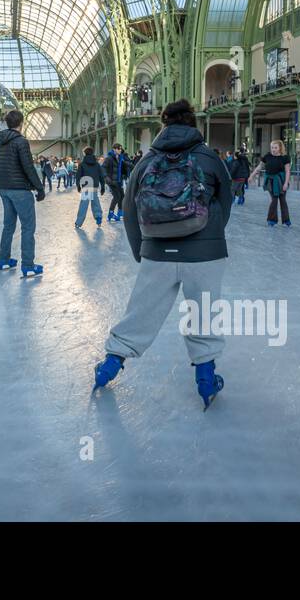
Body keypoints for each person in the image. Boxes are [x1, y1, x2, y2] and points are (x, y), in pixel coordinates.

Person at [92, 99, 233, 410]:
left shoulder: (147, 161)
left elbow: (129, 208)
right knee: (203, 314)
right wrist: (208, 235)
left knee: (140, 312)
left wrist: (141, 249)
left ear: (163, 124)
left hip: (158, 250)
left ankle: (109, 367)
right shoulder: (209, 157)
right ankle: (206, 379)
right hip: (206, 253)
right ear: (193, 122)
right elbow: (226, 198)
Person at [0, 109, 46, 275]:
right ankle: (28, 265)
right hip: (20, 190)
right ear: (21, 123)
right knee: (28, 227)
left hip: (4, 188)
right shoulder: (21, 141)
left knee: (8, 226)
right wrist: (39, 187)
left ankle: (3, 260)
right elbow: (28, 167)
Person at [250, 140, 291, 227]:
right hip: (270, 181)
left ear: (280, 148)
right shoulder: (267, 156)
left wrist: (286, 183)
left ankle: (286, 220)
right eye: (272, 147)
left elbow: (287, 171)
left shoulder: (285, 157)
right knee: (274, 200)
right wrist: (252, 175)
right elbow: (259, 166)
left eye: (275, 147)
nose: (273, 149)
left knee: (283, 200)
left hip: (281, 181)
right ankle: (272, 220)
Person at [74, 146, 105, 228]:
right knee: (96, 203)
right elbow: (101, 176)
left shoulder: (82, 164)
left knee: (84, 204)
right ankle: (98, 219)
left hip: (86, 186)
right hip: (94, 187)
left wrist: (78, 186)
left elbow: (78, 176)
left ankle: (78, 222)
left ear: (85, 153)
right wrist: (103, 187)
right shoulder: (97, 164)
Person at [102, 143, 128, 223]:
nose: (120, 150)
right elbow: (103, 168)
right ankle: (111, 213)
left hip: (118, 181)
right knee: (117, 197)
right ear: (114, 149)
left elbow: (123, 166)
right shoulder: (109, 158)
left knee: (122, 196)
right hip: (112, 181)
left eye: (121, 149)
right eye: (119, 149)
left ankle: (120, 212)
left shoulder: (120, 158)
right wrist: (107, 178)